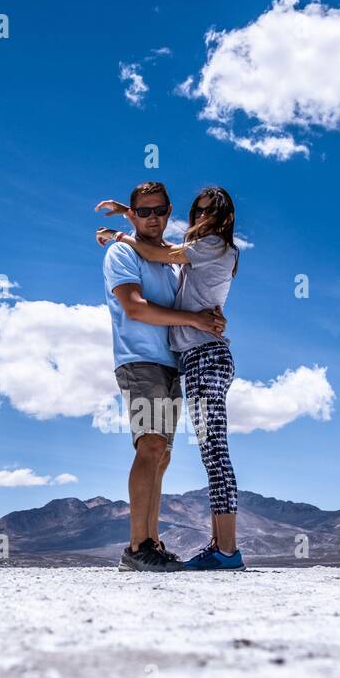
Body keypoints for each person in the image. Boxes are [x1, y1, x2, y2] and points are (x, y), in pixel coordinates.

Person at [96, 185, 244, 570]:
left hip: (175, 363)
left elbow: (195, 294)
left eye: (159, 210)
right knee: (150, 445)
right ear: (135, 213)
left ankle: (152, 543)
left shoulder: (175, 260)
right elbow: (136, 308)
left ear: (168, 211)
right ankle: (137, 546)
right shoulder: (122, 252)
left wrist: (204, 317)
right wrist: (196, 319)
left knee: (162, 454)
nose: (152, 217)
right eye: (143, 212)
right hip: (141, 360)